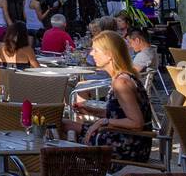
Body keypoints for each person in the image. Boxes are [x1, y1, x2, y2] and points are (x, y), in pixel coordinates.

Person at [63, 31, 154, 165]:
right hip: (126, 139)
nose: (91, 54)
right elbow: (119, 114)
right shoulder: (123, 76)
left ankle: (76, 172)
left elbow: (136, 123)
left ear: (110, 54)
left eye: (95, 50)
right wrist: (92, 111)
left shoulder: (121, 82)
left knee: (60, 129)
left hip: (126, 146)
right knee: (61, 123)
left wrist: (103, 121)